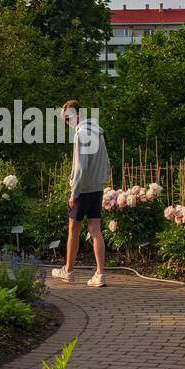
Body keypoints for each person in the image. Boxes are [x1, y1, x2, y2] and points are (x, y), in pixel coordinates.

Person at [51, 99, 110, 287]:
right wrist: (100, 182)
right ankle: (100, 275)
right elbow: (107, 164)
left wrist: (74, 193)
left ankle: (68, 271)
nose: (68, 123)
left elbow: (80, 168)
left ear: (78, 115)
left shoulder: (80, 134)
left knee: (73, 231)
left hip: (83, 190)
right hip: (97, 189)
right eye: (65, 120)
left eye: (68, 118)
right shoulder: (98, 132)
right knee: (95, 230)